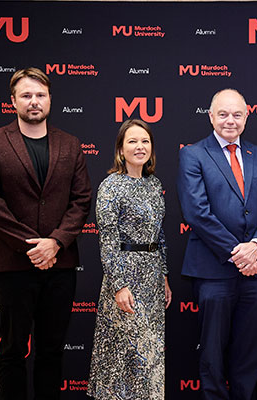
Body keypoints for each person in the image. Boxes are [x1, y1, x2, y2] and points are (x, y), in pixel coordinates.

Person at [0, 67, 92, 400]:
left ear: (50, 99)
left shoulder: (70, 144)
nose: (34, 101)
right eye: (26, 95)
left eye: (40, 95)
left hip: (60, 265)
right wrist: (33, 247)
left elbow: (81, 200)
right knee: (12, 350)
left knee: (51, 351)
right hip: (13, 265)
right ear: (13, 101)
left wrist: (55, 242)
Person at [177, 88, 257, 399]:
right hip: (213, 272)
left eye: (237, 114)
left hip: (256, 273)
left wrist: (256, 247)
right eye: (223, 114)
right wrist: (239, 254)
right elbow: (197, 213)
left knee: (249, 353)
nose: (230, 121)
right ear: (211, 116)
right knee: (212, 352)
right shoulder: (193, 154)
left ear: (246, 117)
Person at [87, 119, 171, 399]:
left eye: (145, 141)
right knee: (125, 357)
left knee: (151, 355)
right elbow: (108, 239)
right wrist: (119, 285)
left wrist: (164, 276)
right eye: (132, 141)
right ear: (120, 150)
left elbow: (159, 235)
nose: (139, 147)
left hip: (152, 279)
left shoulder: (154, 184)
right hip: (125, 279)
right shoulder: (111, 186)